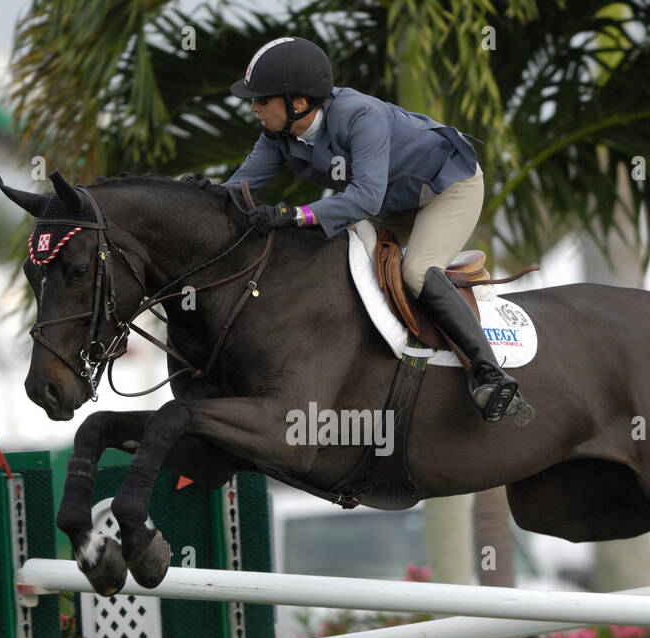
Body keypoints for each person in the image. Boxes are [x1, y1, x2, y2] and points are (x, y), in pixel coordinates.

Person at [223, 36, 533, 426]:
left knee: (417, 272)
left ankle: (491, 374)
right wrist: (195, 199)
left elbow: (365, 199)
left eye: (260, 100)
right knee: (339, 259)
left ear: (297, 103)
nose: (253, 108)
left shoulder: (359, 116)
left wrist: (296, 215)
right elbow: (238, 188)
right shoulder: (278, 134)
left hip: (446, 188)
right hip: (394, 201)